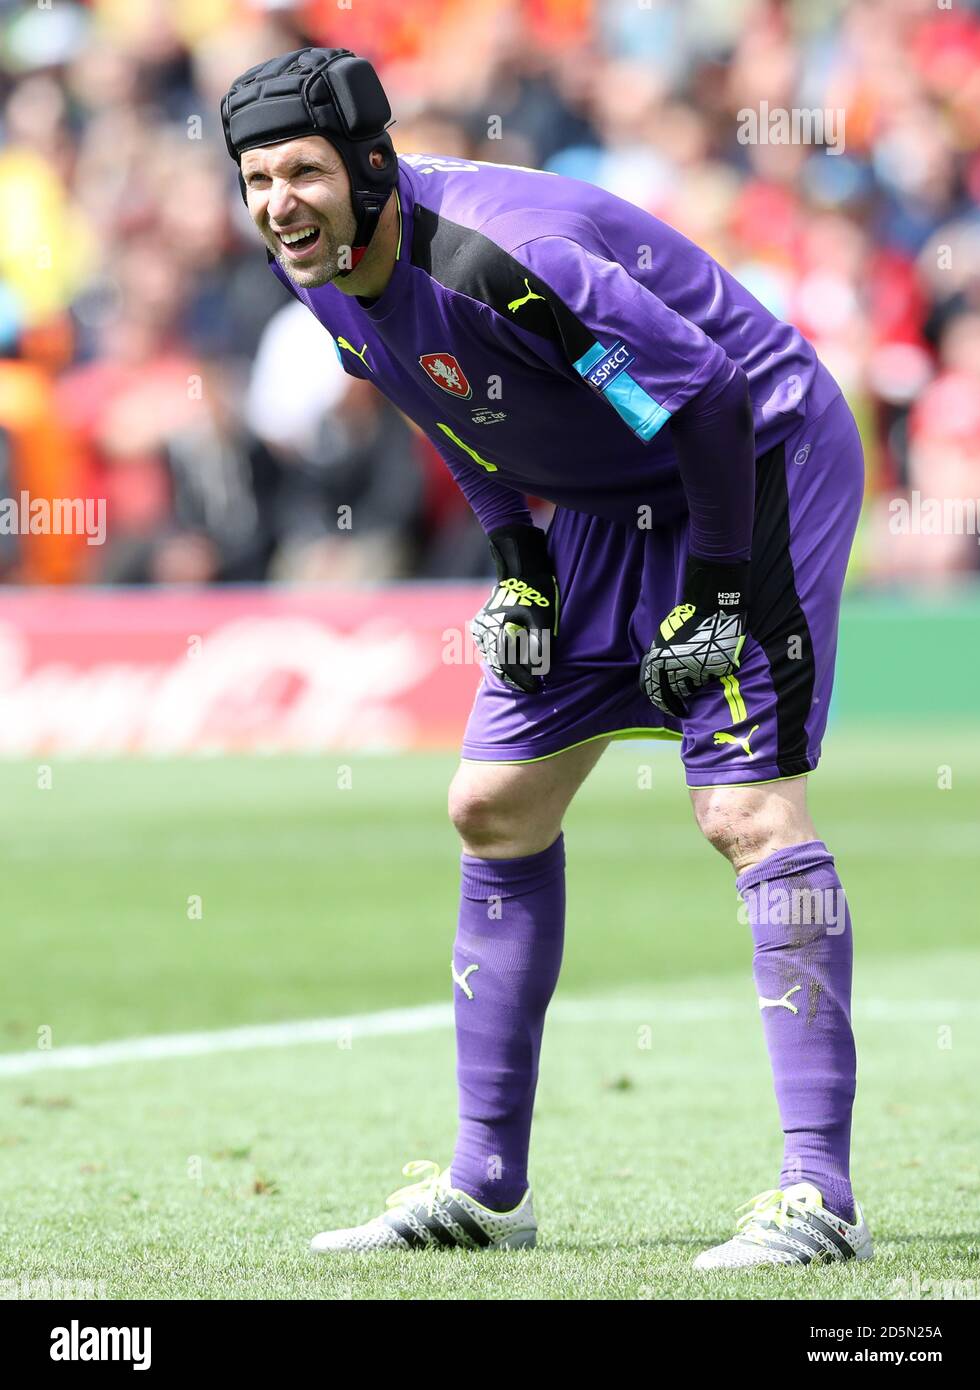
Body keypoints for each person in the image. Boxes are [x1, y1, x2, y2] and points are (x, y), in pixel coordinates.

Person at [221, 47, 870, 1268]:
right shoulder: (312, 272)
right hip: (598, 494)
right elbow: (442, 403)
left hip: (751, 460)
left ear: (372, 166)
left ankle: (819, 1197)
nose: (277, 202)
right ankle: (485, 1187)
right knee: (491, 803)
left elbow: (711, 397)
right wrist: (517, 558)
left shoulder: (494, 258)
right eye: (256, 179)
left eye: (303, 170)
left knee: (745, 811)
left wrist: (718, 592)